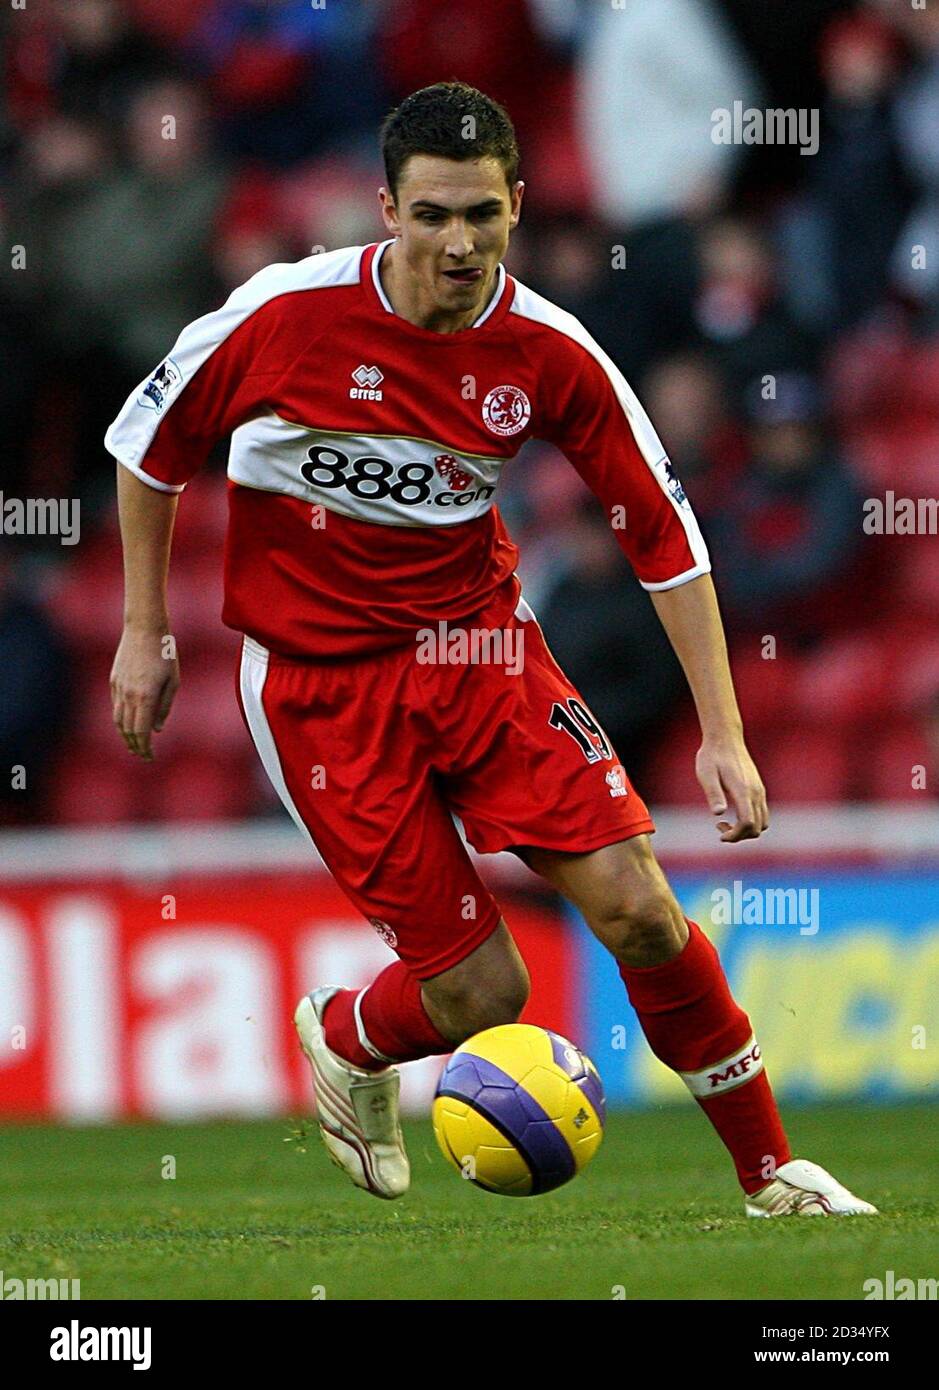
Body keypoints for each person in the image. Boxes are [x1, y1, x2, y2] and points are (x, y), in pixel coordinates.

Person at [106, 82, 875, 1218]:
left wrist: (725, 732)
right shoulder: (280, 316)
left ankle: (773, 1173)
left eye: (482, 214)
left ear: (518, 204)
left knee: (641, 907)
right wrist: (142, 626)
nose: (459, 242)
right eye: (432, 216)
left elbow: (663, 534)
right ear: (387, 210)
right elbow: (147, 447)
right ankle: (344, 1035)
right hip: (322, 688)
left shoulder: (550, 350)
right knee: (483, 991)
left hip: (482, 653)